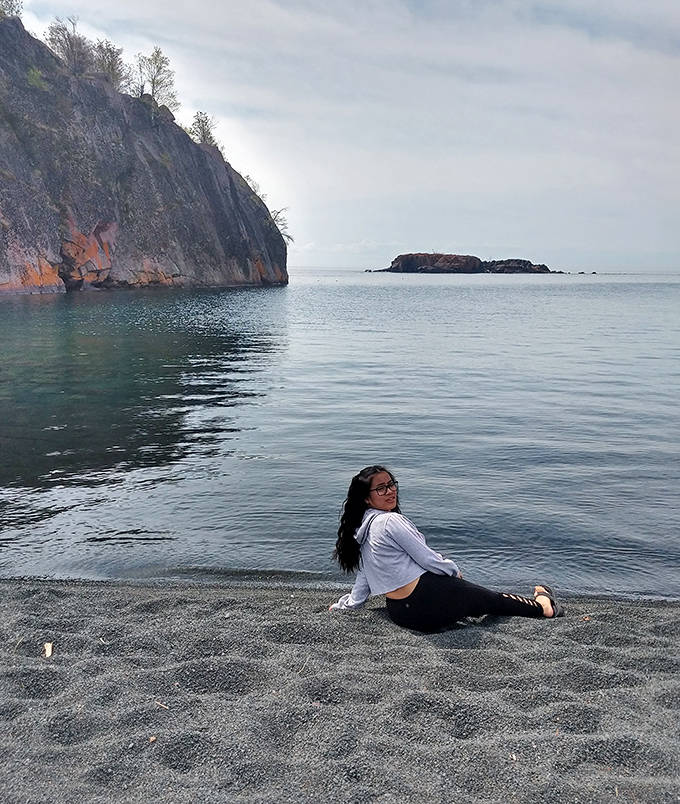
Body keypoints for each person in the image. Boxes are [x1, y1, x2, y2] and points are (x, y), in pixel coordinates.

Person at [329, 465, 564, 632]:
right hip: (426, 601)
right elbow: (427, 559)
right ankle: (544, 607)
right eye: (381, 488)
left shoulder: (363, 529)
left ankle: (465, 600)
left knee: (474, 601)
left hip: (402, 613)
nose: (390, 491)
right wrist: (453, 573)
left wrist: (348, 605)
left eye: (391, 484)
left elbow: (365, 575)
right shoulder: (390, 521)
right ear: (367, 499)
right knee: (494, 600)